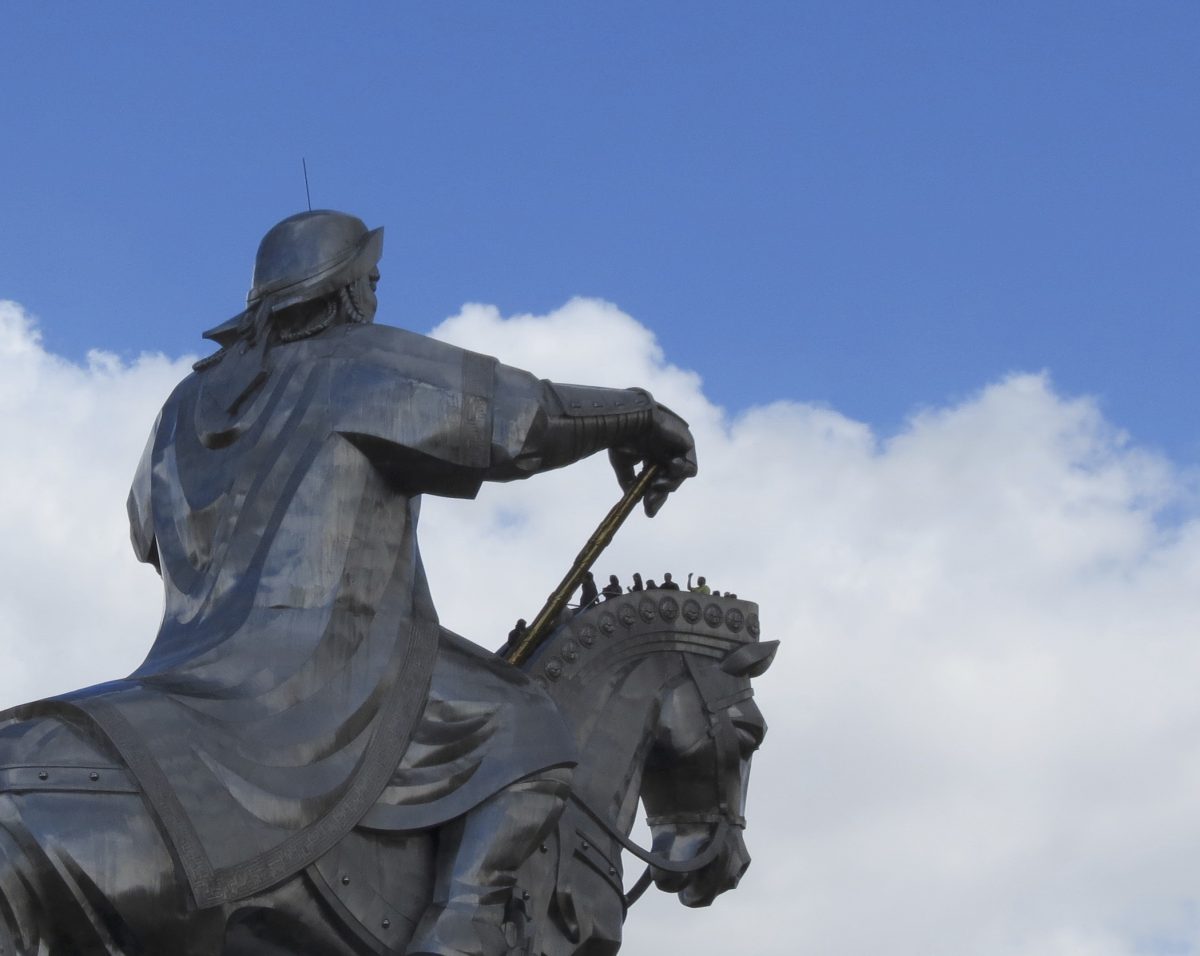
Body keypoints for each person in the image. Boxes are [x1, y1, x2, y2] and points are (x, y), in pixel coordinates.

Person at [10, 211, 697, 956]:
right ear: (338, 292)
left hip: (189, 662)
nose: (372, 295)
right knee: (523, 717)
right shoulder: (360, 361)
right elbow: (523, 418)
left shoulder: (185, 401)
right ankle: (462, 926)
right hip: (324, 666)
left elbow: (145, 528)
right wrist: (638, 416)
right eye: (367, 280)